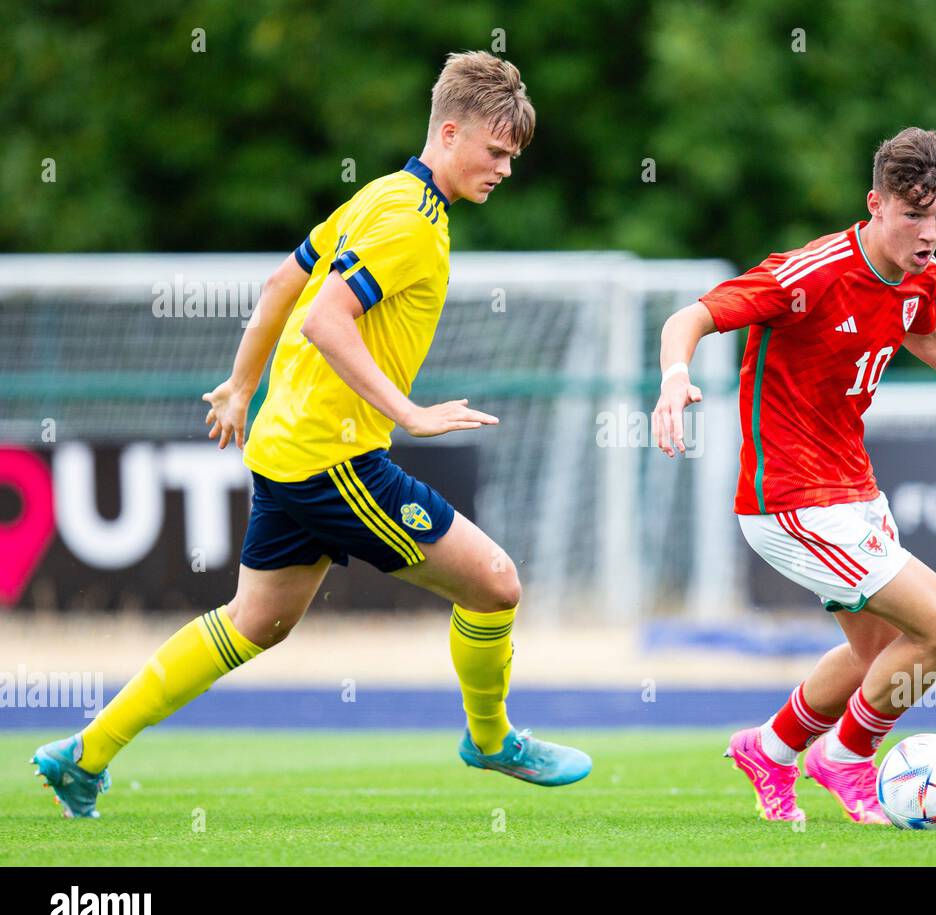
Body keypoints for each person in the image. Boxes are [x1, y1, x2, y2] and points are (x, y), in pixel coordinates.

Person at [33, 51, 590, 819]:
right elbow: (328, 320)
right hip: (335, 457)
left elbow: (282, 285)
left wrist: (240, 384)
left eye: (512, 158)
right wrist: (411, 413)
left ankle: (84, 754)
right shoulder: (410, 223)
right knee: (496, 584)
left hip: (285, 449)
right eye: (496, 152)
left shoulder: (380, 196)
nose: (504, 169)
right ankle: (491, 741)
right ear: (451, 130)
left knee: (253, 622)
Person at [652, 127, 936, 823]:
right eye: (914, 215)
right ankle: (845, 758)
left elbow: (923, 329)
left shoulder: (917, 274)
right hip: (788, 500)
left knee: (880, 653)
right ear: (875, 204)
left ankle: (772, 749)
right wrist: (674, 381)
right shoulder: (808, 273)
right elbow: (689, 316)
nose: (930, 232)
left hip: (854, 492)